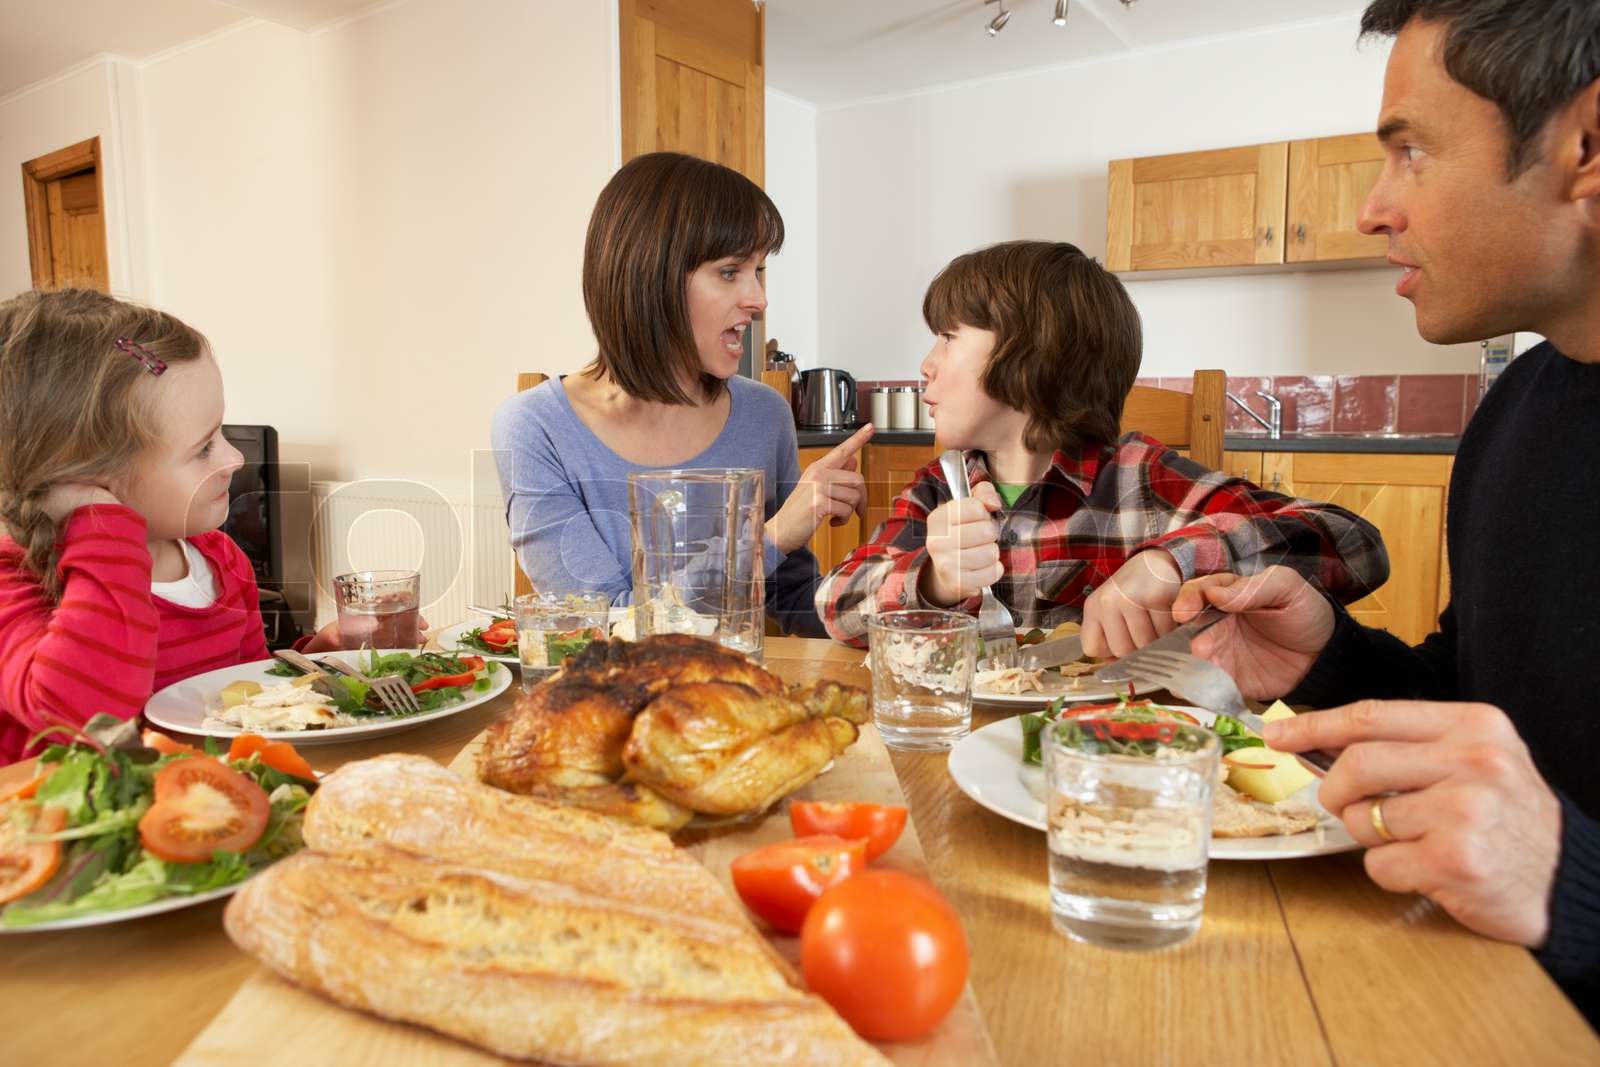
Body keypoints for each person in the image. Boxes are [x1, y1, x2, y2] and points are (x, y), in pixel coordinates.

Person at [1172, 0, 1600, 1023]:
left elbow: (1542, 835)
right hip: (1457, 984)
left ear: (1585, 147)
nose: (1369, 208)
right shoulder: (1517, 411)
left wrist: (1571, 879)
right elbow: (1482, 700)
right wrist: (1328, 657)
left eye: (1410, 151)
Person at [815, 240, 1390, 648]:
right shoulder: (939, 487)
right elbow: (835, 606)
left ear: (1028, 357)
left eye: (947, 337)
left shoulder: (1142, 478)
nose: (926, 364)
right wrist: (934, 581)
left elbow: (1354, 542)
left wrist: (1170, 562)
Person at [492, 152, 870, 637]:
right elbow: (610, 625)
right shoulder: (534, 426)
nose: (758, 299)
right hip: (613, 703)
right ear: (652, 277)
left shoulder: (763, 413)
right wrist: (773, 536)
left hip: (738, 698)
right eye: (731, 271)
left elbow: (788, 594)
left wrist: (913, 592)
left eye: (759, 271)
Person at [0, 289, 340, 765]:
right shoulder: (14, 579)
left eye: (222, 432)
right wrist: (98, 525)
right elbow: (86, 716)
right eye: (203, 448)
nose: (234, 458)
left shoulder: (220, 559)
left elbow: (240, 700)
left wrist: (318, 658)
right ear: (85, 481)